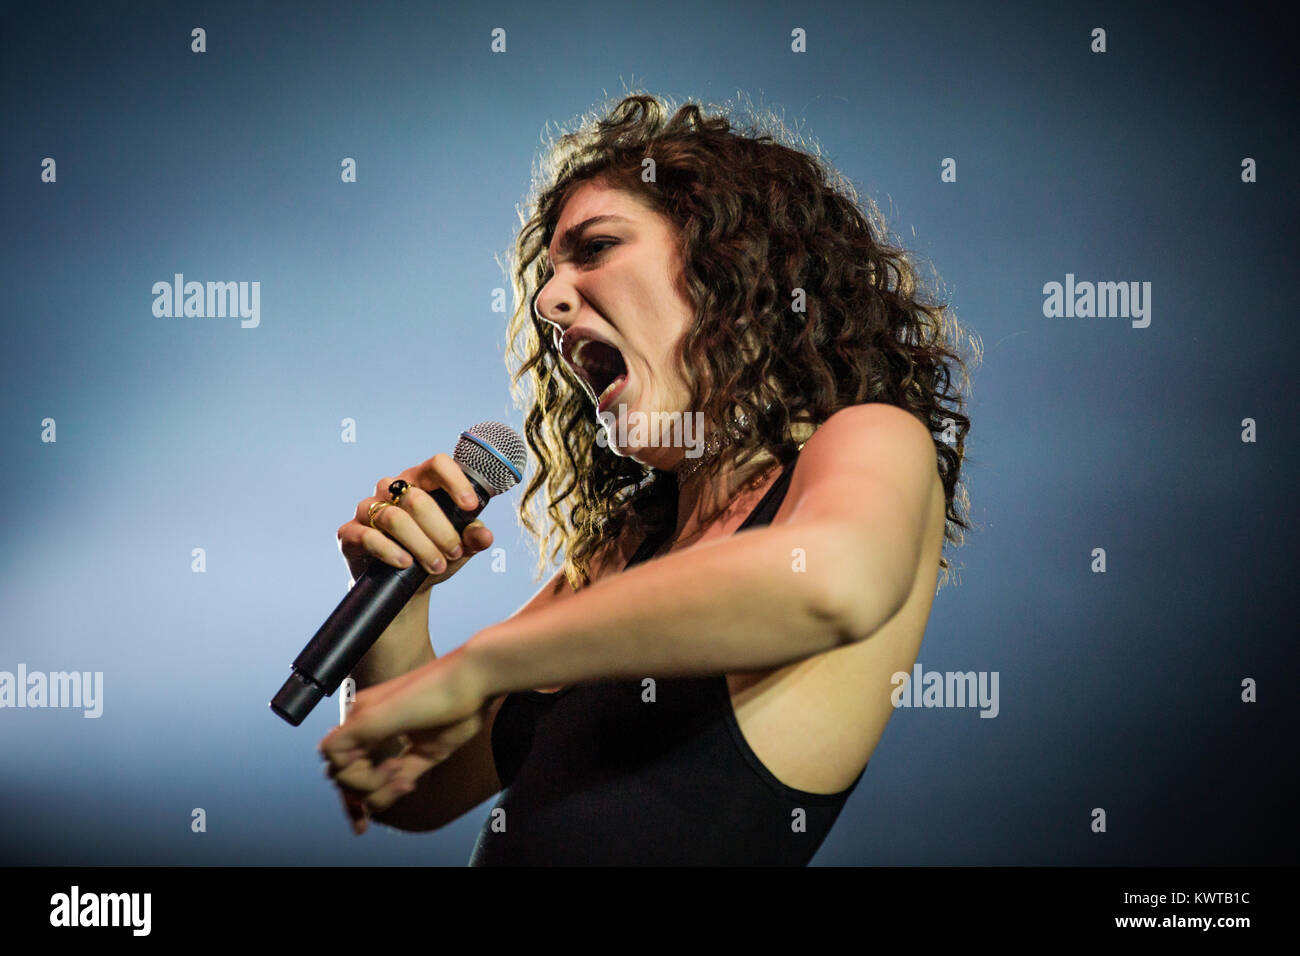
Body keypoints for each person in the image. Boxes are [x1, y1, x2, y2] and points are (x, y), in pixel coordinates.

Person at [319, 92, 979, 865]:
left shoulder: (870, 437)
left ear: (730, 260)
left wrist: (484, 663)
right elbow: (414, 788)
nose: (548, 301)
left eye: (595, 248)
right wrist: (403, 594)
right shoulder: (629, 546)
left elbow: (829, 582)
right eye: (550, 276)